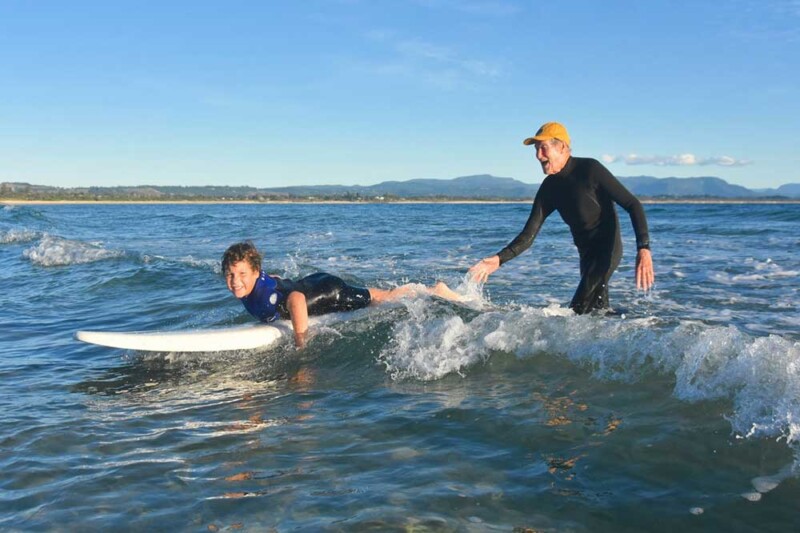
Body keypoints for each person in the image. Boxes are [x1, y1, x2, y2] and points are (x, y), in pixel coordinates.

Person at [469, 122, 654, 314]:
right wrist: (499, 259)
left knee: (576, 313)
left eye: (543, 148)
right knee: (598, 313)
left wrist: (644, 249)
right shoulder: (549, 188)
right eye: (536, 149)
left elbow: (633, 204)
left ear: (562, 147)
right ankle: (637, 328)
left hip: (607, 251)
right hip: (586, 256)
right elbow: (528, 235)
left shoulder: (590, 169)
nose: (538, 155)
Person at [222, 241, 462, 348]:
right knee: (379, 295)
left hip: (329, 292)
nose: (236, 281)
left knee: (382, 299)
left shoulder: (264, 296)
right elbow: (275, 280)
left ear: (256, 272)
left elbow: (296, 299)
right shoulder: (257, 282)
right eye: (230, 275)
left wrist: (301, 339)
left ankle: (435, 291)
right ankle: (431, 289)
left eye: (242, 274)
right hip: (314, 282)